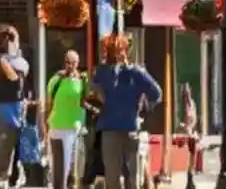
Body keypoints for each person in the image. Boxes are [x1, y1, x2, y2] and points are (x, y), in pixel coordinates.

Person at [91, 33, 161, 189]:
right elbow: (94, 89)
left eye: (118, 51)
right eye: (111, 52)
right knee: (120, 177)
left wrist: (143, 107)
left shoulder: (133, 73)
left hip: (125, 129)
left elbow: (156, 93)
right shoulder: (105, 72)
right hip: (115, 128)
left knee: (126, 178)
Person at [0, 25, 28, 187]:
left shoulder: (19, 62)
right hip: (2, 107)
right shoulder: (4, 59)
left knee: (6, 144)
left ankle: (6, 177)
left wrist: (4, 61)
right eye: (3, 40)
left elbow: (14, 77)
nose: (4, 44)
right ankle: (4, 176)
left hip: (12, 110)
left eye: (8, 40)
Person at [45, 50, 87, 189]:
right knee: (57, 164)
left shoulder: (81, 81)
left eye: (73, 63)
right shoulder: (55, 80)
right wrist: (45, 124)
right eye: (68, 62)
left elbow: (83, 102)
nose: (70, 66)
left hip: (73, 128)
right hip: (56, 126)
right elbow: (49, 103)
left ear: (78, 63)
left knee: (70, 165)